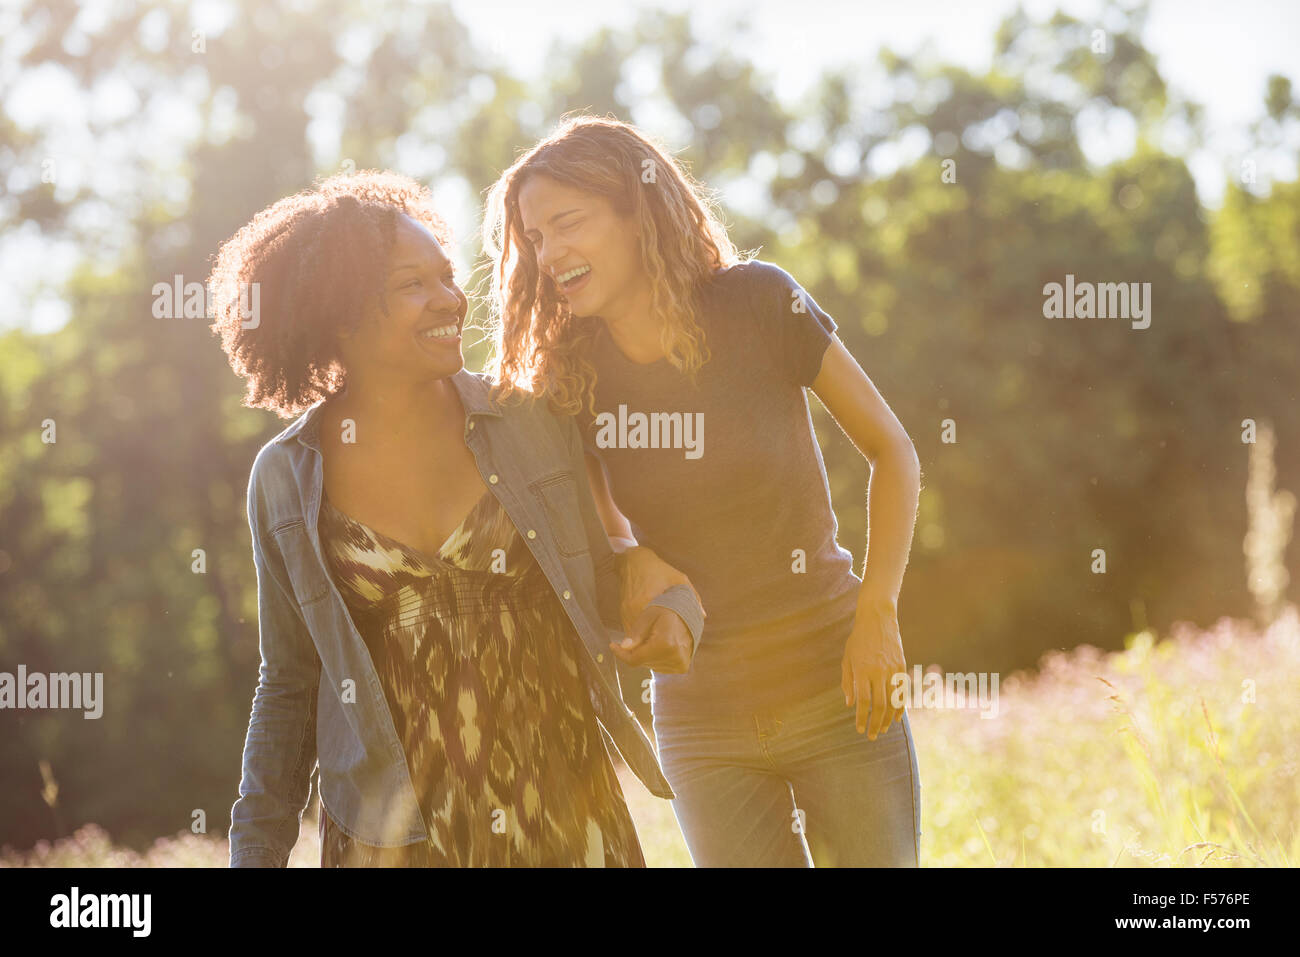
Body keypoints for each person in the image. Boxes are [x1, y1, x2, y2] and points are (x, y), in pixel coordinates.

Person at [210, 169, 702, 867]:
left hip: (563, 816)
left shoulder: (530, 419)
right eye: (415, 285)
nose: (452, 299)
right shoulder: (288, 478)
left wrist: (671, 600)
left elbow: (607, 569)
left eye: (447, 276)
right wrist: (253, 854)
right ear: (339, 315)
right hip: (393, 844)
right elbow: (289, 684)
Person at [483, 116, 924, 866]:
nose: (550, 253)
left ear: (635, 210)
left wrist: (877, 612)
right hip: (701, 716)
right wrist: (632, 561)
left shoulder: (758, 301)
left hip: (835, 683)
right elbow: (604, 534)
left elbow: (894, 449)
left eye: (567, 224)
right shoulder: (573, 370)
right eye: (535, 237)